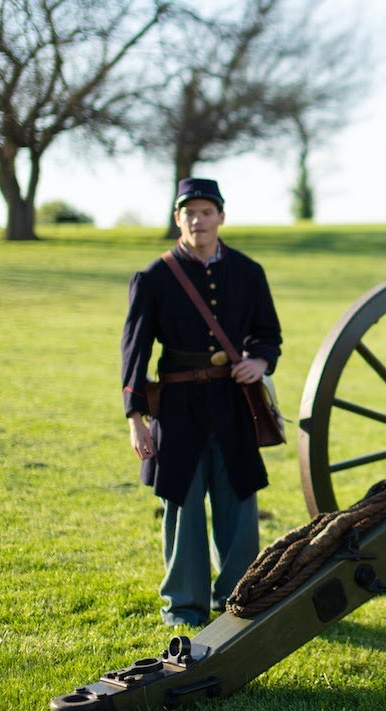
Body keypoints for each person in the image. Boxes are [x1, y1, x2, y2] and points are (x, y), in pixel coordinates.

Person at [121, 177, 282, 627]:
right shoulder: (153, 277)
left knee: (239, 502)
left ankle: (239, 597)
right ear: (178, 220)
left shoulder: (249, 272)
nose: (198, 220)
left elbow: (267, 334)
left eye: (206, 212)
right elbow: (134, 352)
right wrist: (135, 418)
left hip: (233, 404)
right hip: (177, 408)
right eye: (189, 212)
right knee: (183, 506)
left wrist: (259, 362)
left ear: (221, 217)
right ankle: (185, 607)